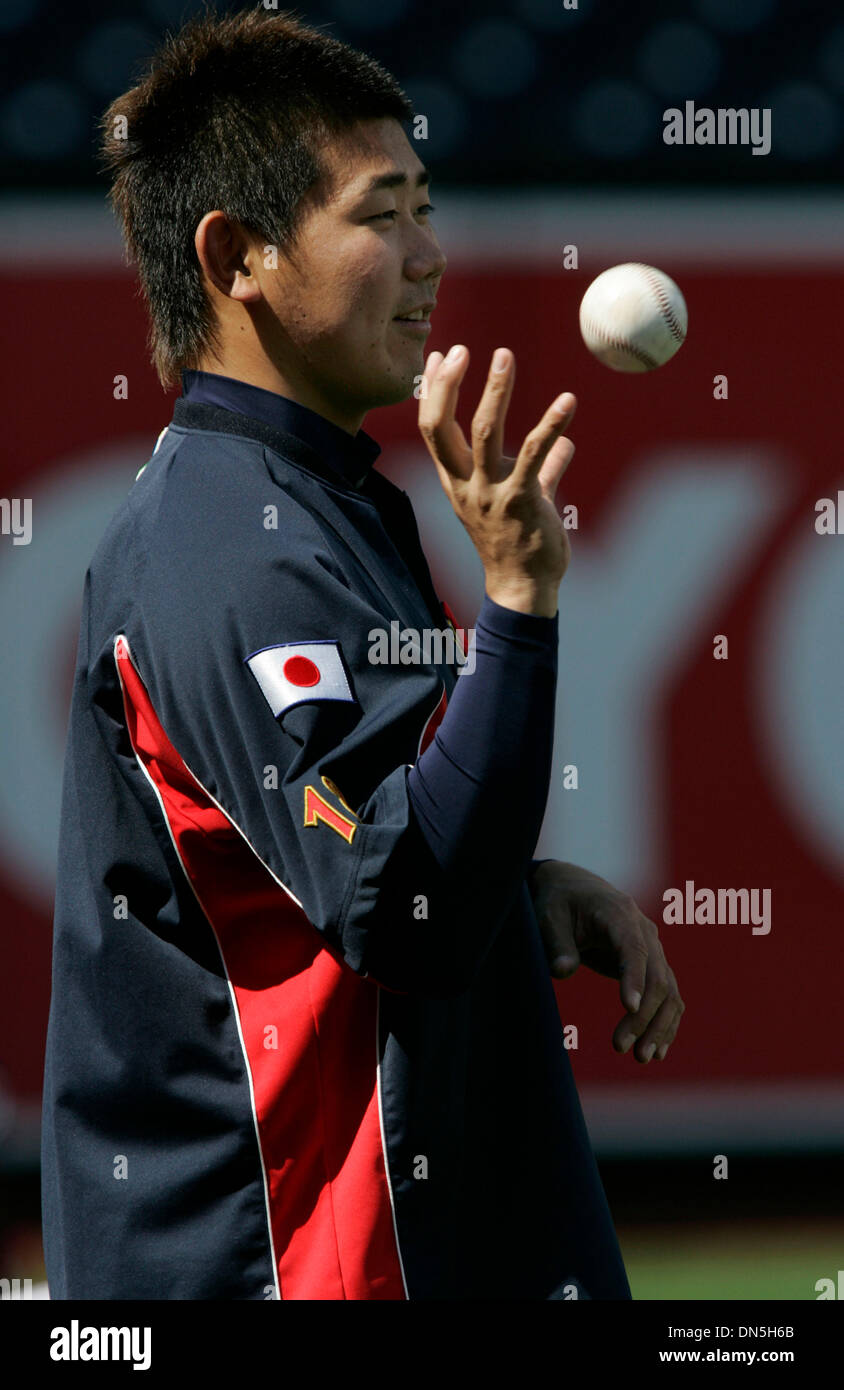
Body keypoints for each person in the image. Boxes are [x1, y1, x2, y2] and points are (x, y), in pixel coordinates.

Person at [41, 7, 683, 1300]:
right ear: (239, 256)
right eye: (380, 213)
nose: (429, 255)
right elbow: (406, 910)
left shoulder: (303, 501)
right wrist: (519, 600)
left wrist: (519, 887)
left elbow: (372, 859)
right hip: (297, 1263)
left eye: (426, 205)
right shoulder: (231, 543)